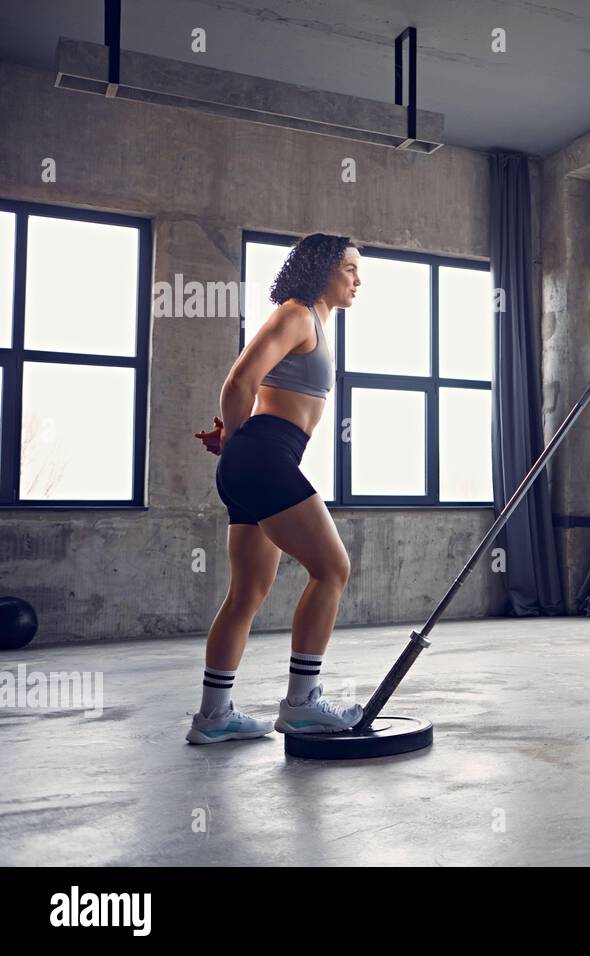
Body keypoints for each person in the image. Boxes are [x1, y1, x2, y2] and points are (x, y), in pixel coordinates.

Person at [186, 234, 365, 744]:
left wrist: (233, 445)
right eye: (350, 269)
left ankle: (214, 716)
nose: (358, 280)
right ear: (324, 268)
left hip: (257, 460)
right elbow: (239, 382)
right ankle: (302, 704)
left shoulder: (315, 323)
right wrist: (238, 441)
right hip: (264, 456)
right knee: (332, 569)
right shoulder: (296, 314)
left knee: (246, 593)